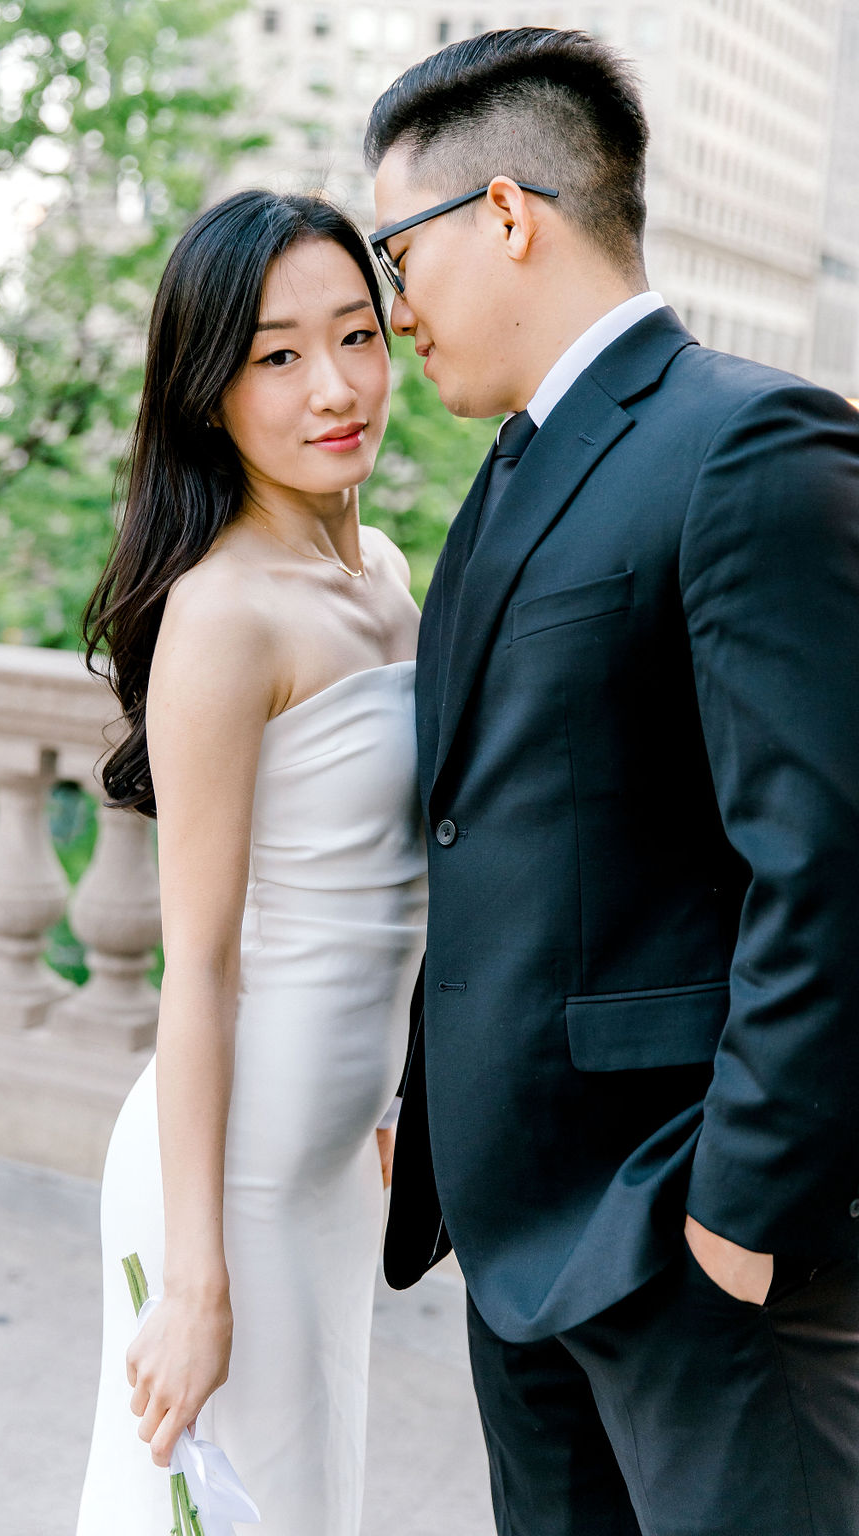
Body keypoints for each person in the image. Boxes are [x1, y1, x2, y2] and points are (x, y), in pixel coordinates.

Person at [365, 26, 859, 1536]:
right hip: (519, 1247)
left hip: (689, 1243)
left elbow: (830, 860)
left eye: (400, 253)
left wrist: (737, 1211)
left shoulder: (747, 444)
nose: (395, 311)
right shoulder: (514, 465)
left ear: (504, 213)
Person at [75, 189, 427, 1536]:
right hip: (233, 1180)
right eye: (277, 355)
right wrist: (198, 1280)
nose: (335, 386)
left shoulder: (383, 575)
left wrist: (397, 1097)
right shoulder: (225, 614)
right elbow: (201, 967)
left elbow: (391, 876)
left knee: (306, 1505)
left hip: (335, 1162)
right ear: (208, 388)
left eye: (357, 335)